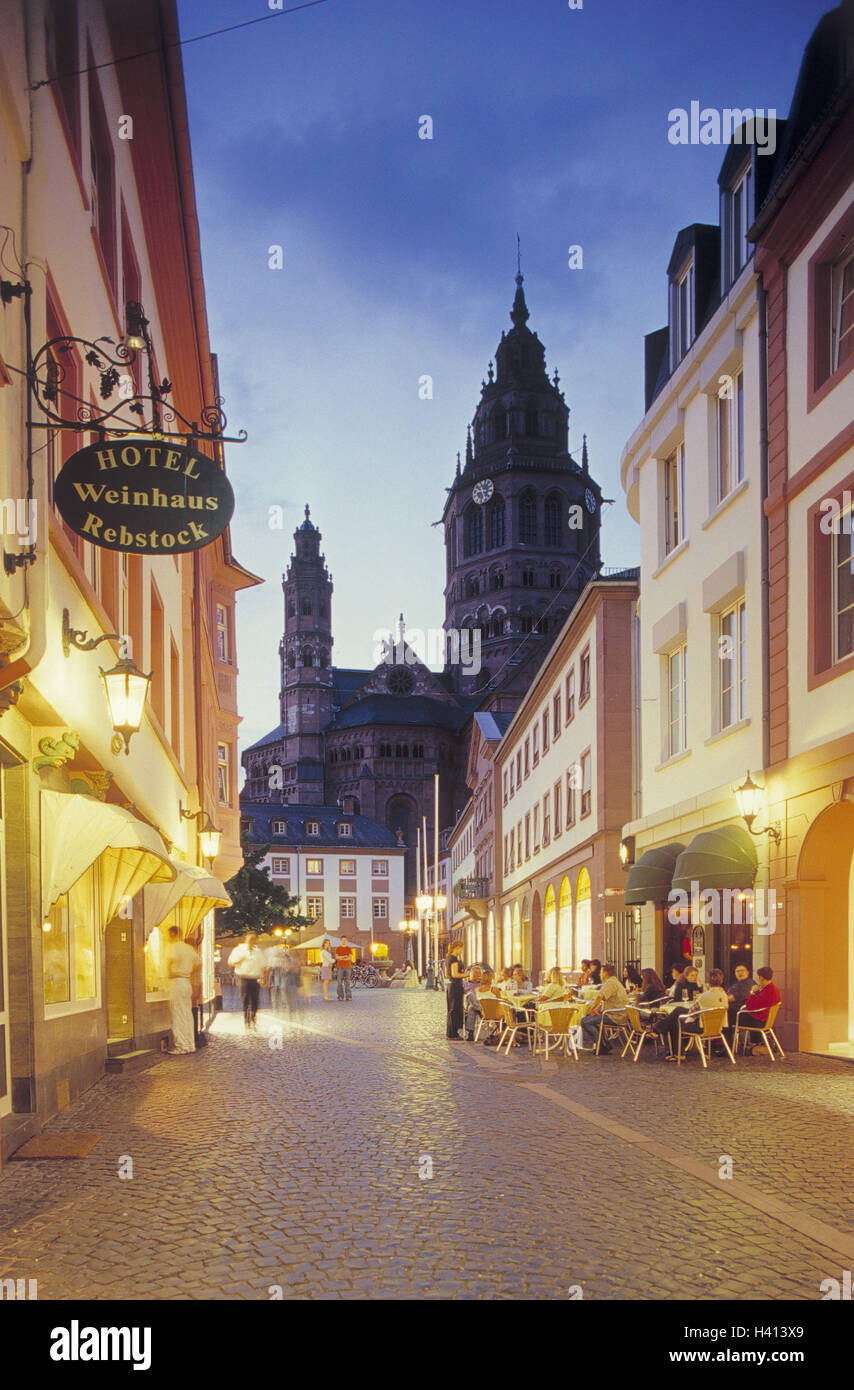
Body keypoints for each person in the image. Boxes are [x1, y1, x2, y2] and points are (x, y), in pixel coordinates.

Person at [661, 968, 729, 1059]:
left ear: (708, 980)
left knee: (676, 1021)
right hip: (717, 1027)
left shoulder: (704, 996)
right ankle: (661, 1028)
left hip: (701, 1027)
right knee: (679, 1010)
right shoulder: (724, 995)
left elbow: (692, 1012)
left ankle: (678, 1054)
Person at [165, 926, 201, 1054]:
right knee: (186, 1013)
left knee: (178, 1014)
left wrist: (169, 973)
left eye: (168, 935)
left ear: (173, 934)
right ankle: (190, 1044)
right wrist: (188, 972)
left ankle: (181, 1046)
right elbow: (198, 962)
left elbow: (169, 962)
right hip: (186, 982)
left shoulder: (174, 947)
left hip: (177, 982)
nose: (167, 938)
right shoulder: (188, 948)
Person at [580, 963, 628, 1052]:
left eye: (601, 972)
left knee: (585, 1021)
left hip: (615, 1016)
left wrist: (591, 1009)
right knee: (589, 1019)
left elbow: (600, 996)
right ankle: (604, 1043)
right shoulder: (614, 981)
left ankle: (601, 1045)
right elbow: (606, 999)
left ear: (605, 973)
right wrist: (597, 1009)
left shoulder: (610, 982)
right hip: (615, 1013)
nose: (600, 974)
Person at [228, 931, 267, 1031]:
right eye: (250, 939)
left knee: (255, 1000)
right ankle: (247, 1021)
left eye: (254, 939)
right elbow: (231, 962)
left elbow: (263, 965)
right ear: (246, 939)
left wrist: (264, 978)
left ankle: (253, 1018)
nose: (252, 941)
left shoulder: (258, 951)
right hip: (243, 977)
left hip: (255, 978)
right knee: (245, 1000)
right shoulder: (239, 950)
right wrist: (241, 959)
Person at [735, 966, 782, 1049]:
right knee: (742, 1013)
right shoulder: (774, 989)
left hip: (760, 1021)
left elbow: (750, 1006)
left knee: (734, 1015)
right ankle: (752, 1042)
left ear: (762, 978)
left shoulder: (767, 991)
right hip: (767, 1020)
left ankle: (732, 1046)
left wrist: (752, 992)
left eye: (759, 977)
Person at [445, 944, 466, 1039]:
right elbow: (455, 974)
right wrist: (466, 974)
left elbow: (447, 974)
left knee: (451, 1009)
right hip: (456, 986)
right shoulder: (454, 959)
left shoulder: (448, 958)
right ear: (456, 948)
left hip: (450, 986)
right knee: (456, 1009)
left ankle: (450, 1032)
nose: (461, 951)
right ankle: (454, 1033)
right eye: (461, 949)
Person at [726, 963, 755, 1028]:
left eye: (742, 970)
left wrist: (721, 999)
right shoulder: (736, 984)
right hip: (735, 1012)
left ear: (747, 972)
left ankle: (725, 1037)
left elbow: (735, 997)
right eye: (737, 971)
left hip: (743, 1014)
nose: (740, 973)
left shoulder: (748, 983)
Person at [335, 936, 355, 1001]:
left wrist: (341, 957)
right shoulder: (337, 948)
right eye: (342, 940)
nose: (344, 941)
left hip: (348, 966)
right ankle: (340, 996)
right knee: (339, 982)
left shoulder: (349, 948)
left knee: (347, 982)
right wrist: (345, 956)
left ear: (346, 941)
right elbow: (337, 957)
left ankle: (348, 996)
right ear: (341, 941)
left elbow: (350, 957)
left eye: (345, 940)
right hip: (340, 966)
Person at [319, 937, 335, 1002]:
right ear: (324, 944)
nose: (328, 944)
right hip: (326, 967)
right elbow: (330, 960)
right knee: (326, 982)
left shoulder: (326, 951)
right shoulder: (324, 951)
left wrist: (331, 962)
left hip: (327, 967)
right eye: (326, 943)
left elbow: (330, 961)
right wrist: (334, 960)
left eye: (329, 943)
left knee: (327, 982)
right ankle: (325, 997)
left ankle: (326, 996)